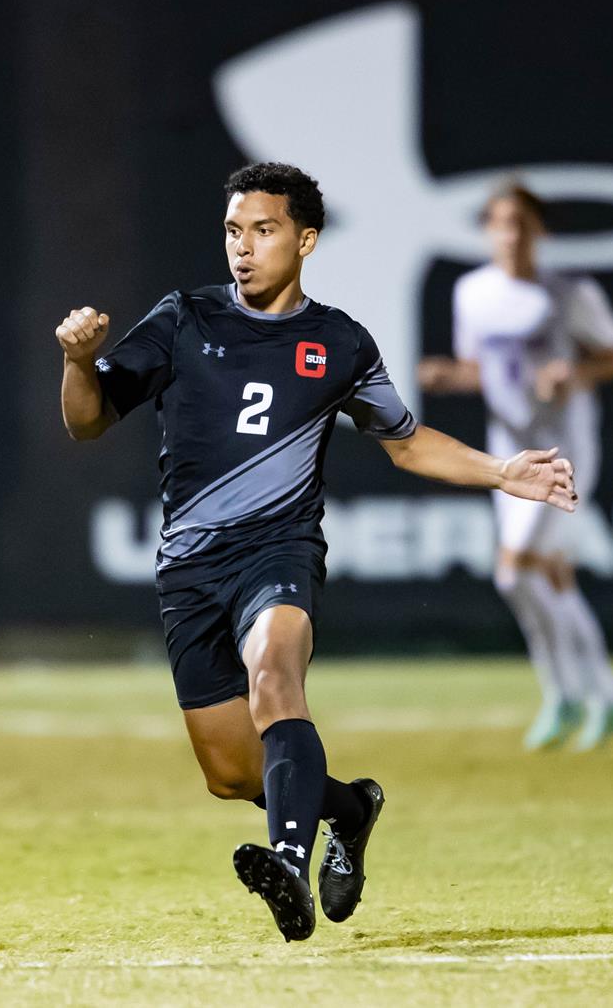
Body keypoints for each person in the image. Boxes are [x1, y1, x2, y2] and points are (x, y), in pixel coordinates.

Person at [56, 162, 577, 941]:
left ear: (305, 240)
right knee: (230, 774)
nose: (243, 247)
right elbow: (87, 422)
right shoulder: (183, 320)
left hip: (279, 550)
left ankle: (290, 866)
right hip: (190, 567)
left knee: (276, 681)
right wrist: (75, 362)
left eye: (263, 231)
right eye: (234, 230)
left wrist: (503, 471)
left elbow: (405, 443)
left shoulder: (339, 344)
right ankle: (349, 807)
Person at [418, 180, 613, 752]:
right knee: (551, 578)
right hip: (510, 456)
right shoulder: (472, 294)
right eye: (499, 222)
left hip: (564, 450)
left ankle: (563, 693)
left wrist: (577, 374)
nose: (510, 234)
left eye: (521, 223)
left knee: (514, 572)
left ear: (541, 230)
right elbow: (483, 369)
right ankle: (606, 699)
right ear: (488, 229)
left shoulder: (566, 294)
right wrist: (449, 375)